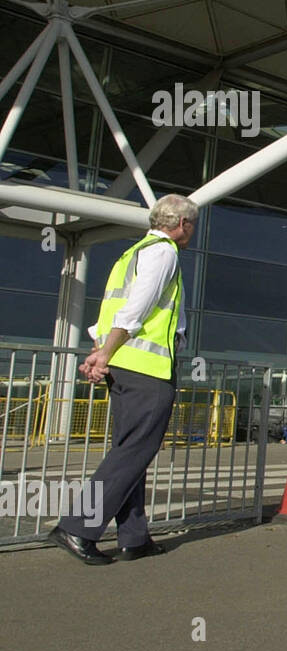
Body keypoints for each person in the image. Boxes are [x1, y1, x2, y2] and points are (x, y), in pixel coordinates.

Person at [49, 194, 198, 565]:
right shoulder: (164, 253)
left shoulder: (130, 255)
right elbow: (137, 308)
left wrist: (102, 352)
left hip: (124, 366)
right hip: (147, 370)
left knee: (130, 449)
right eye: (192, 225)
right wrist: (106, 352)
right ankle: (78, 527)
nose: (192, 232)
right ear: (182, 224)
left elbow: (107, 312)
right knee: (135, 451)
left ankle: (134, 537)